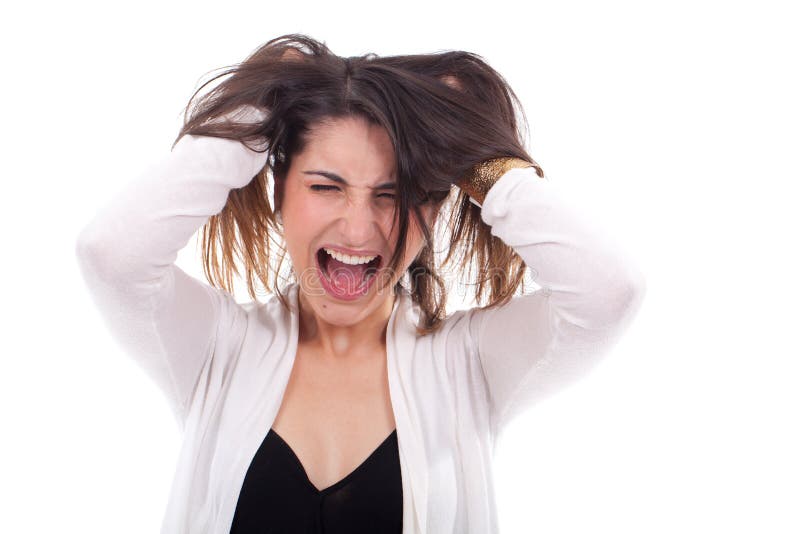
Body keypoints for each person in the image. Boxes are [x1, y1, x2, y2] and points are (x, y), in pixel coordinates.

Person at [75, 33, 647, 534]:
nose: (357, 227)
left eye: (392, 195)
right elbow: (111, 254)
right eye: (326, 187)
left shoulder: (469, 362)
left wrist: (476, 153)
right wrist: (258, 112)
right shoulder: (217, 348)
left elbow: (609, 292)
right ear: (278, 190)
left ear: (432, 209)